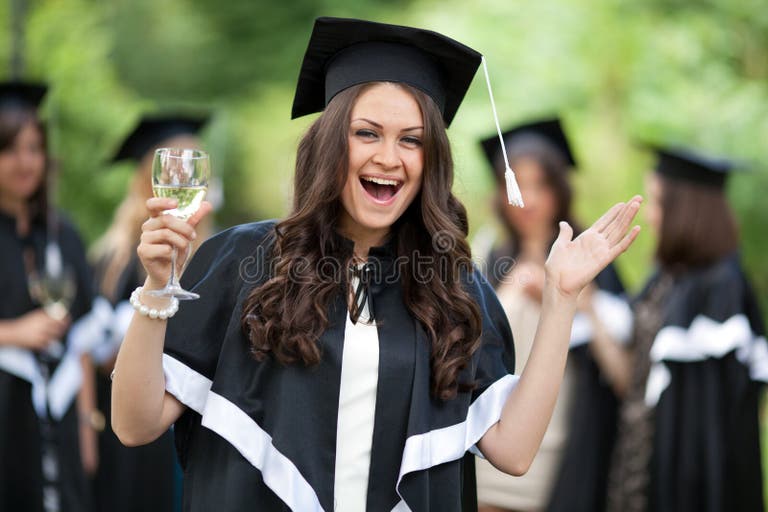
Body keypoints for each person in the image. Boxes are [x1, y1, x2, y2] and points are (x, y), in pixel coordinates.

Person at [111, 17, 642, 512]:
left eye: (411, 140)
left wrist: (562, 299)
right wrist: (157, 289)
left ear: (429, 159)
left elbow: (515, 450)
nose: (389, 157)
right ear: (329, 143)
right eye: (367, 133)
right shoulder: (243, 262)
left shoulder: (451, 290)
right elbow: (134, 426)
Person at [475, 118, 632, 512]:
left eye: (540, 185)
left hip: (564, 448)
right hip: (492, 438)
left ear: (559, 190)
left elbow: (625, 378)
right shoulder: (490, 259)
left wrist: (580, 303)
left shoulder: (590, 261)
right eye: (516, 184)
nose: (526, 199)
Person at [606, 146, 766, 512]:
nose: (652, 216)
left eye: (659, 203)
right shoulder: (668, 277)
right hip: (640, 460)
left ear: (687, 211)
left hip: (686, 480)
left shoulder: (720, 287)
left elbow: (710, 422)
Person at [88, 115, 209, 512]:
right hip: (128, 414)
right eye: (177, 166)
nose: (187, 177)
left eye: (197, 164)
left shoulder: (214, 256)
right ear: (149, 178)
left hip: (187, 416)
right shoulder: (111, 260)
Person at [0, 81, 96, 511]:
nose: (26, 162)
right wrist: (12, 332)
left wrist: (88, 426)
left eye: (34, 149)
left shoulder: (63, 233)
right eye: (10, 150)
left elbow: (83, 341)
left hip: (58, 415)